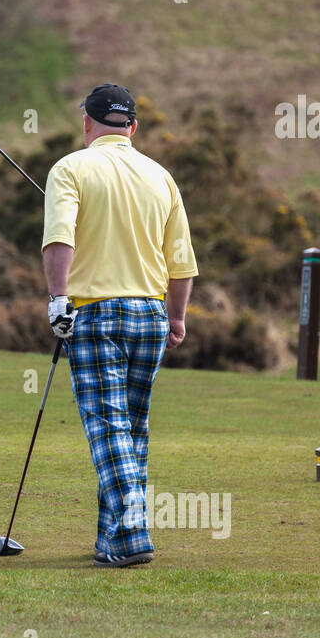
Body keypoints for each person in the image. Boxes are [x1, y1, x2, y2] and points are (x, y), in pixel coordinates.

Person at [41, 83, 198, 567]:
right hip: (150, 313)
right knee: (131, 429)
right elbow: (182, 262)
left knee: (108, 427)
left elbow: (59, 239)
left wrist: (57, 300)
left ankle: (130, 531)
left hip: (94, 313)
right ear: (132, 127)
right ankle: (112, 539)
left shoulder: (70, 168)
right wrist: (177, 317)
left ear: (86, 123)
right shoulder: (161, 176)